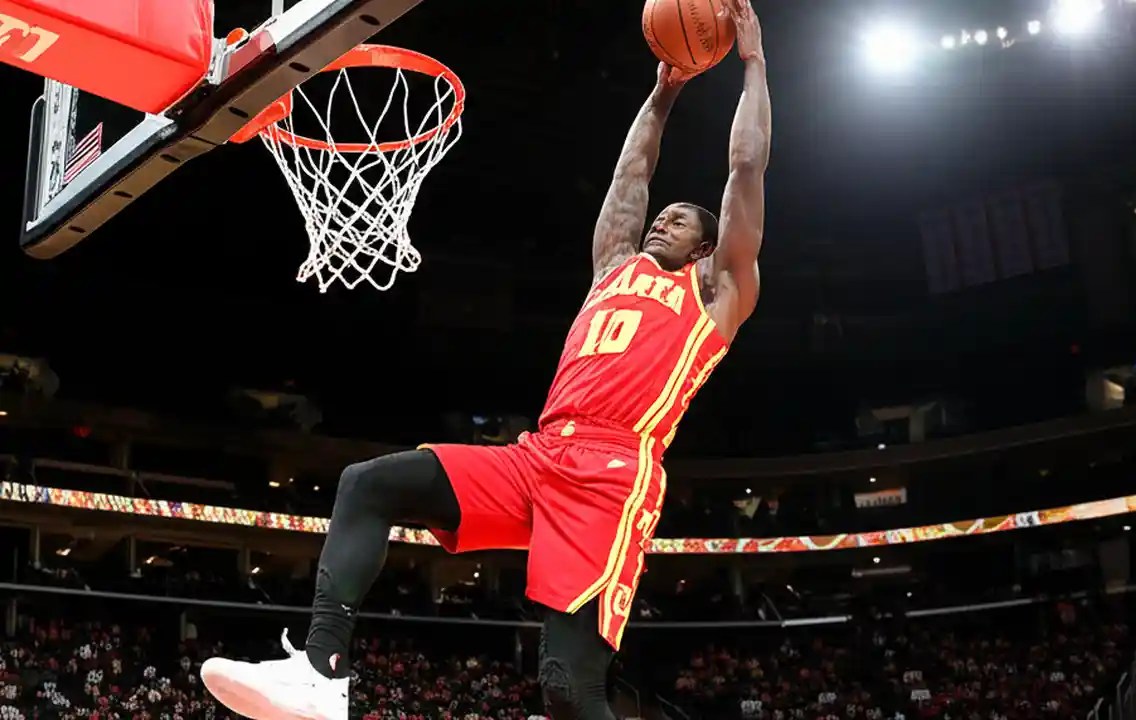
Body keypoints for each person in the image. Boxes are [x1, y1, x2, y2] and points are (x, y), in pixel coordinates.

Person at [200, 1, 770, 717]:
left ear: (706, 246)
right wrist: (664, 91)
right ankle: (322, 674)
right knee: (368, 484)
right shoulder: (614, 268)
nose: (664, 216)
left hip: (611, 477)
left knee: (566, 687)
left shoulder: (716, 292)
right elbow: (631, 179)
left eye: (682, 217)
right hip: (538, 454)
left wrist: (752, 65)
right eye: (666, 211)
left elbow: (745, 168)